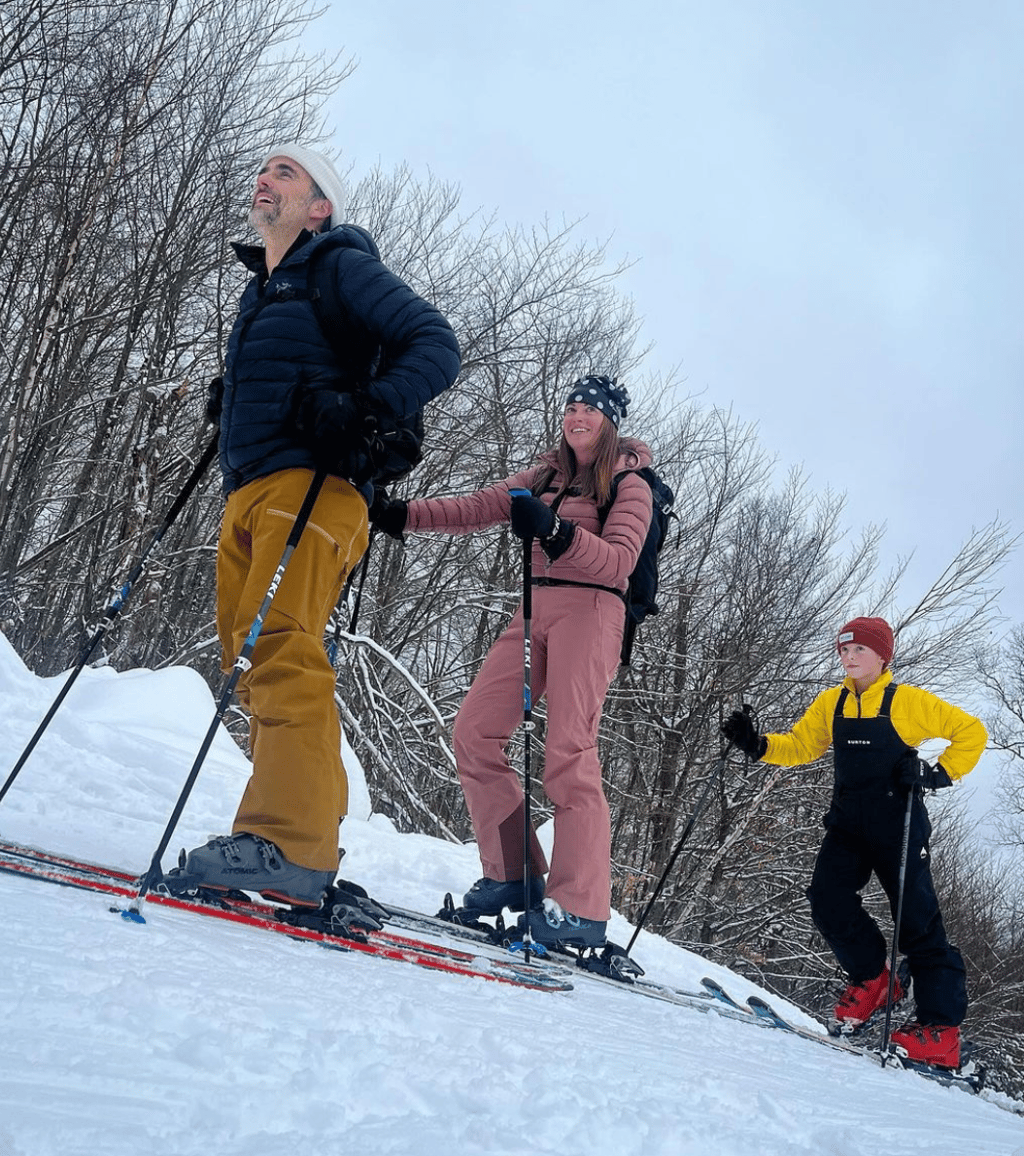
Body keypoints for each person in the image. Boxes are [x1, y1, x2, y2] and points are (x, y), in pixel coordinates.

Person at [172, 144, 460, 906]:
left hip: (314, 489)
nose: (264, 179)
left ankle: (286, 846)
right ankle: (299, 836)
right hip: (254, 487)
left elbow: (437, 344)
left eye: (285, 173)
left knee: (279, 647)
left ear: (321, 206)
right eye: (264, 171)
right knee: (252, 653)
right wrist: (232, 402)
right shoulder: (264, 288)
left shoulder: (338, 265)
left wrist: (362, 408)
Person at [372, 376, 653, 948]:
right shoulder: (545, 474)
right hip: (534, 607)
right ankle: (513, 875)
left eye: (590, 411)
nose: (577, 417)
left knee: (568, 750)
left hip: (593, 612)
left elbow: (620, 563)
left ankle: (579, 907)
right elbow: (476, 506)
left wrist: (555, 529)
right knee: (475, 730)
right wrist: (399, 515)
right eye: (571, 408)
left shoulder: (631, 482)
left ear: (610, 422)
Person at [722, 616, 987, 1068]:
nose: (847, 658)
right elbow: (801, 747)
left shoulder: (908, 702)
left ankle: (940, 1031)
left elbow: (972, 733)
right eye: (842, 650)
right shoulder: (833, 703)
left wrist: (934, 773)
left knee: (917, 925)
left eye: (857, 650)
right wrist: (757, 745)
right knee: (826, 898)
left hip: (898, 824)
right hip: (847, 823)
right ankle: (874, 979)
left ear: (883, 655)